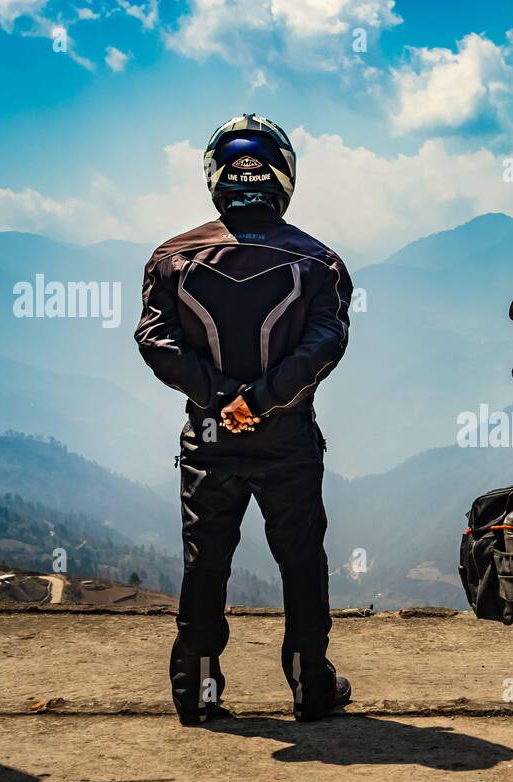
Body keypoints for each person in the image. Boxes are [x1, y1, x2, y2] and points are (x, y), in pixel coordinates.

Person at [134, 113, 352, 725]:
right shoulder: (319, 262)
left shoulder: (171, 257)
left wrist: (223, 397)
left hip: (208, 436)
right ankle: (311, 685)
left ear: (215, 176)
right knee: (302, 559)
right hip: (287, 436)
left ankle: (197, 691)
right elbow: (324, 346)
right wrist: (259, 400)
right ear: (283, 175)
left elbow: (157, 342)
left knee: (207, 561)